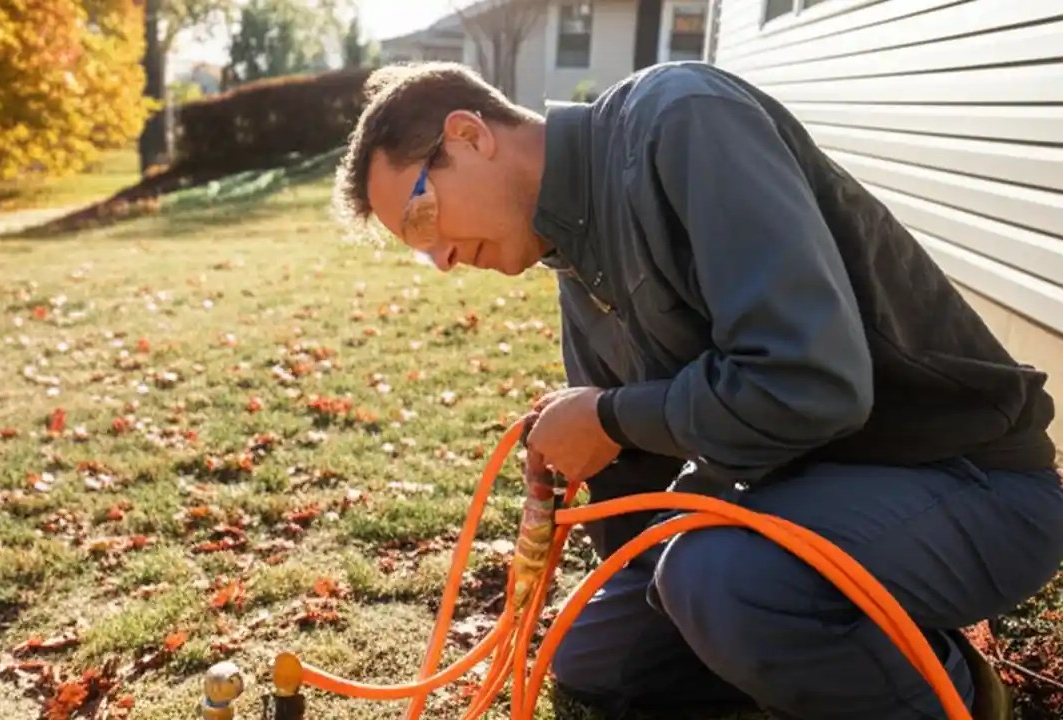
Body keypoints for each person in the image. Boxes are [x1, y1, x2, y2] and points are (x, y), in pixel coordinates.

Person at [332, 60, 1063, 720]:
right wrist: (596, 464)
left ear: (469, 136)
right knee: (599, 663)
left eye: (425, 219)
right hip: (810, 493)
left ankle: (955, 696)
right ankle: (848, 645)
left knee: (723, 584)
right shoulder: (573, 260)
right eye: (423, 253)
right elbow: (646, 491)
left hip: (967, 484)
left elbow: (813, 385)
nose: (446, 257)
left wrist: (612, 418)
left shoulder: (682, 119)